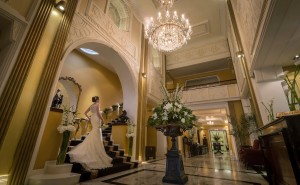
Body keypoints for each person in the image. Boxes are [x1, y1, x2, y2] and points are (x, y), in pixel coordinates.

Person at [68, 96, 113, 170]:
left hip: (93, 119)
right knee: (96, 131)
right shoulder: (97, 104)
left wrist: (89, 118)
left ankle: (94, 146)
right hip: (97, 119)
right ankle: (96, 148)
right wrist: (102, 120)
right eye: (99, 99)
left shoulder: (91, 105)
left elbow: (85, 113)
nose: (99, 100)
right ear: (97, 99)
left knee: (94, 131)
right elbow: (98, 113)